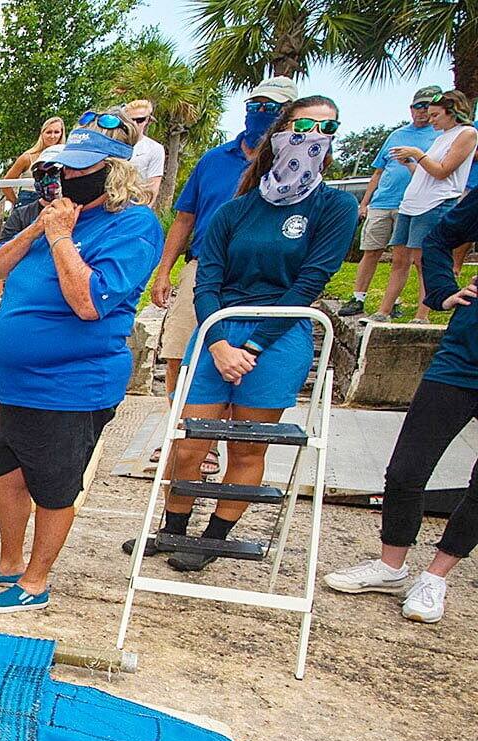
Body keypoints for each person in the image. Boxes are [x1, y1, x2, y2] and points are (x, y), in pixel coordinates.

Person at [131, 97, 355, 574]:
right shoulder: (236, 210)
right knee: (190, 441)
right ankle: (173, 527)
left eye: (327, 128)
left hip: (279, 334)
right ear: (280, 133)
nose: (313, 137)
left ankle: (214, 538)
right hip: (218, 329)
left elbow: (309, 283)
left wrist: (252, 347)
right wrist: (217, 343)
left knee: (248, 446)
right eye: (303, 126)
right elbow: (208, 279)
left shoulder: (335, 207)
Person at [0, 111, 162, 613]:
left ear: (113, 171)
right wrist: (39, 226)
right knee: (6, 474)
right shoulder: (52, 216)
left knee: (53, 485)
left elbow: (89, 302)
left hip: (71, 385)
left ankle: (35, 582)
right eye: (63, 166)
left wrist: (59, 238)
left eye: (79, 168)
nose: (66, 176)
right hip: (18, 382)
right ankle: (9, 564)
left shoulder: (133, 225)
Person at [324, 189, 478, 623]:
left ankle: (436, 576)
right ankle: (391, 565)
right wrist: (443, 291)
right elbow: (439, 237)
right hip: (462, 358)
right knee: (408, 468)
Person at [151, 75, 297, 411]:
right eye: (255, 105)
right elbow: (185, 218)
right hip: (203, 265)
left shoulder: (290, 167)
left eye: (271, 108)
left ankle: (221, 427)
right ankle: (181, 424)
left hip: (255, 273)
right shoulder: (214, 159)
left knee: (240, 359)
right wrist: (164, 271)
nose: (260, 112)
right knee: (178, 349)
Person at [370, 89, 475, 324]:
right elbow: (426, 173)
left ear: (452, 113)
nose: (431, 119)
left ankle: (422, 315)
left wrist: (417, 153)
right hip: (411, 204)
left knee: (423, 261)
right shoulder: (441, 137)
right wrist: (410, 163)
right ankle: (383, 311)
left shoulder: (466, 134)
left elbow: (442, 171)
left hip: (434, 204)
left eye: (436, 115)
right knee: (399, 260)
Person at [340, 86, 443, 318]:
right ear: (411, 108)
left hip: (411, 205)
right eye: (418, 106)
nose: (423, 111)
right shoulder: (396, 135)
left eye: (427, 106)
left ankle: (395, 303)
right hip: (382, 202)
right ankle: (358, 297)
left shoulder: (439, 136)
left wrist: (414, 158)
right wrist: (365, 203)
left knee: (403, 258)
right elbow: (378, 171)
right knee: (370, 251)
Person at [0, 145, 65, 241]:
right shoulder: (20, 215)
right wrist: (35, 229)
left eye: (53, 172)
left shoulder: (81, 212)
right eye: (39, 174)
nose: (46, 179)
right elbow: (1, 248)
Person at [0, 116, 66, 206]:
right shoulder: (27, 157)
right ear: (42, 133)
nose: (52, 136)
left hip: (56, 202)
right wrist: (17, 204)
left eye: (56, 132)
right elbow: (5, 184)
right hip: (29, 200)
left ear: (61, 134)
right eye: (49, 132)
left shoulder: (65, 157)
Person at [124, 101, 166, 203]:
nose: (134, 124)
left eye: (140, 120)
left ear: (147, 120)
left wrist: (145, 210)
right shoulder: (113, 143)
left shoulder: (155, 149)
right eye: (130, 120)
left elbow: (153, 188)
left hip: (135, 204)